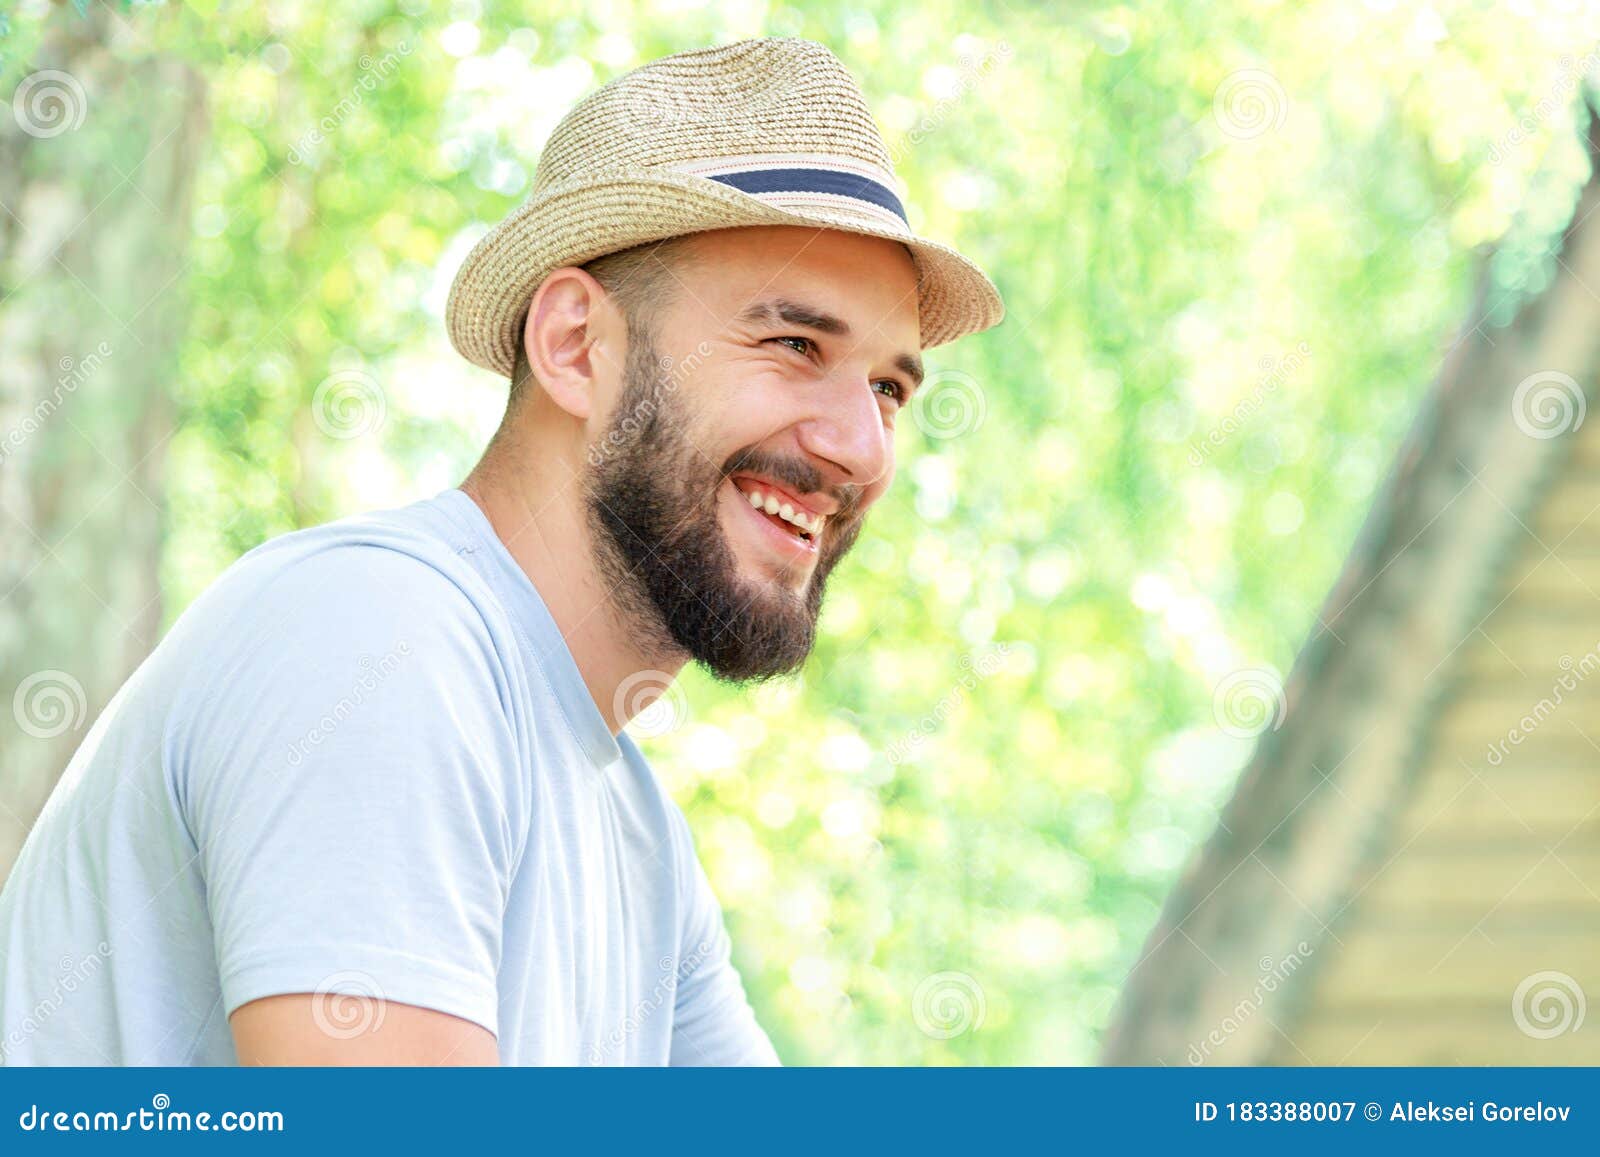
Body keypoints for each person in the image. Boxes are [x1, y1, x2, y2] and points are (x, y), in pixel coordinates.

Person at [0, 35, 1003, 1065]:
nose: (861, 446)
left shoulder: (637, 837)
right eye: (795, 345)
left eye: (887, 387)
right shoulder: (379, 641)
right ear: (576, 345)